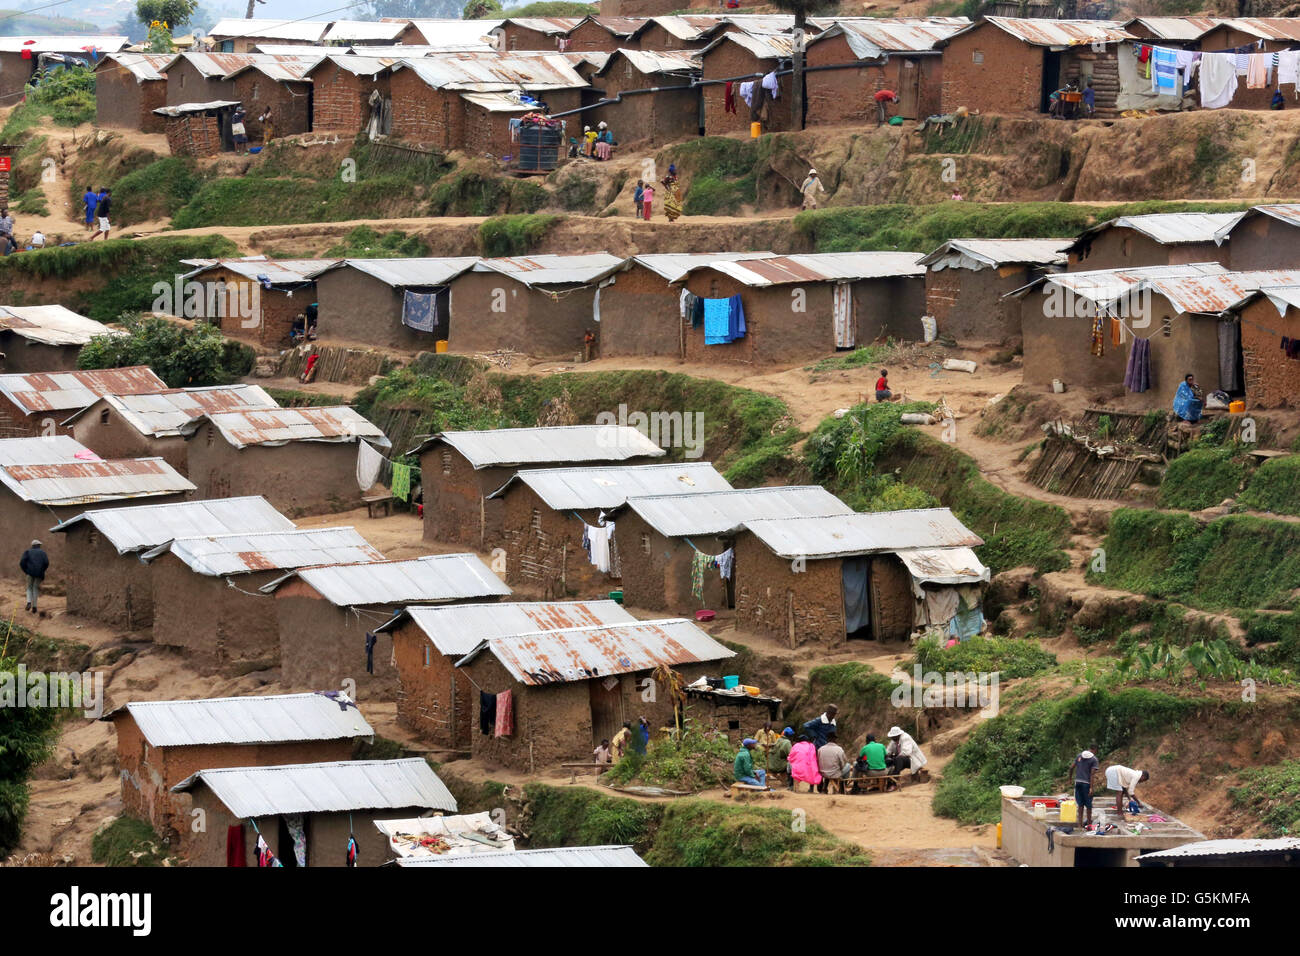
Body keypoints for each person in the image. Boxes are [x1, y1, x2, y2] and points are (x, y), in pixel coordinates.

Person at [1071, 745, 1099, 829]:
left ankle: (1080, 824)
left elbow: (1071, 767)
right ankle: (1089, 824)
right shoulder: (1094, 759)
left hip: (1078, 782)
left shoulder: (1079, 755)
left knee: (1080, 804)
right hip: (1086, 784)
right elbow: (1091, 774)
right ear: (1094, 750)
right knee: (1088, 805)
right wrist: (1091, 788)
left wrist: (1069, 779)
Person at [19, 539, 49, 614]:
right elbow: (46, 563)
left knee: (29, 588)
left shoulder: (27, 552)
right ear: (39, 545)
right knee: (35, 588)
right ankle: (34, 606)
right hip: (39, 574)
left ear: (32, 545)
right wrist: (42, 570)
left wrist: (26, 571)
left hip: (30, 573)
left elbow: (22, 562)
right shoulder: (43, 553)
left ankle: (29, 602)